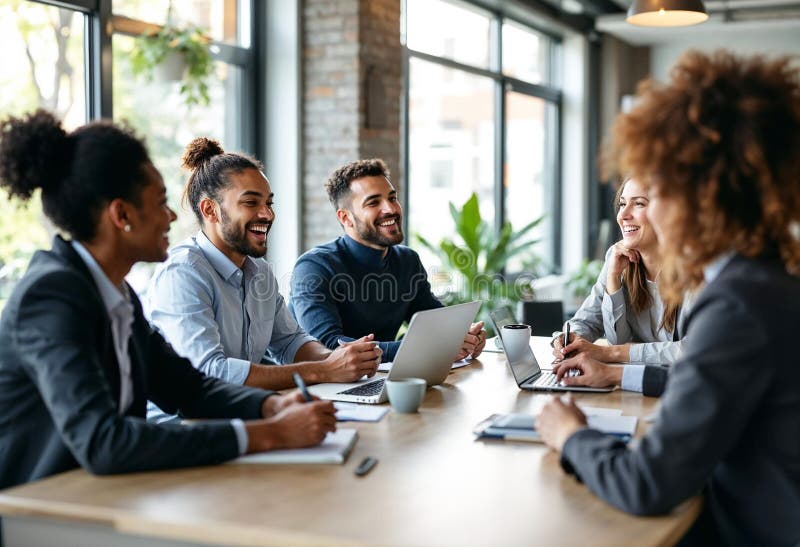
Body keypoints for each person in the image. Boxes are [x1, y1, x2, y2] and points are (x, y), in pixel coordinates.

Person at [535, 50, 800, 546]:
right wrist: (614, 371)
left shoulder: (737, 302)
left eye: (657, 192)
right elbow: (702, 382)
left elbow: (648, 484)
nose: (638, 213)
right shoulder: (764, 279)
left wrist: (571, 434)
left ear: (704, 196)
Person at [0, 111, 337, 490]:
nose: (173, 216)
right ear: (121, 215)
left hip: (100, 494)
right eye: (161, 203)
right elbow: (102, 440)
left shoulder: (116, 294)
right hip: (37, 511)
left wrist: (269, 407)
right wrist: (268, 434)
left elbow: (186, 387)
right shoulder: (51, 297)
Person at [145, 138, 381, 421]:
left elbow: (290, 342)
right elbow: (210, 373)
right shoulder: (182, 273)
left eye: (269, 203)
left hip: (242, 416)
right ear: (210, 210)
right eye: (250, 202)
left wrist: (340, 357)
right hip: (186, 428)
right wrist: (324, 370)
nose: (267, 214)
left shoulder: (258, 270)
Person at [288, 158, 486, 363]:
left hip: (379, 379)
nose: (390, 209)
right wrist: (427, 347)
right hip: (314, 388)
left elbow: (436, 324)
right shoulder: (314, 267)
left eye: (392, 198)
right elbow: (329, 344)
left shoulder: (407, 261)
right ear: (346, 218)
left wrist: (464, 336)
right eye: (373, 202)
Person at [550, 178, 689, 396]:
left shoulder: (695, 269)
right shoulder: (617, 258)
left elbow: (692, 349)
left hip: (682, 390)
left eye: (639, 204)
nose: (622, 216)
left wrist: (609, 354)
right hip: (632, 390)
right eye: (623, 204)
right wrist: (570, 341)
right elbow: (586, 320)